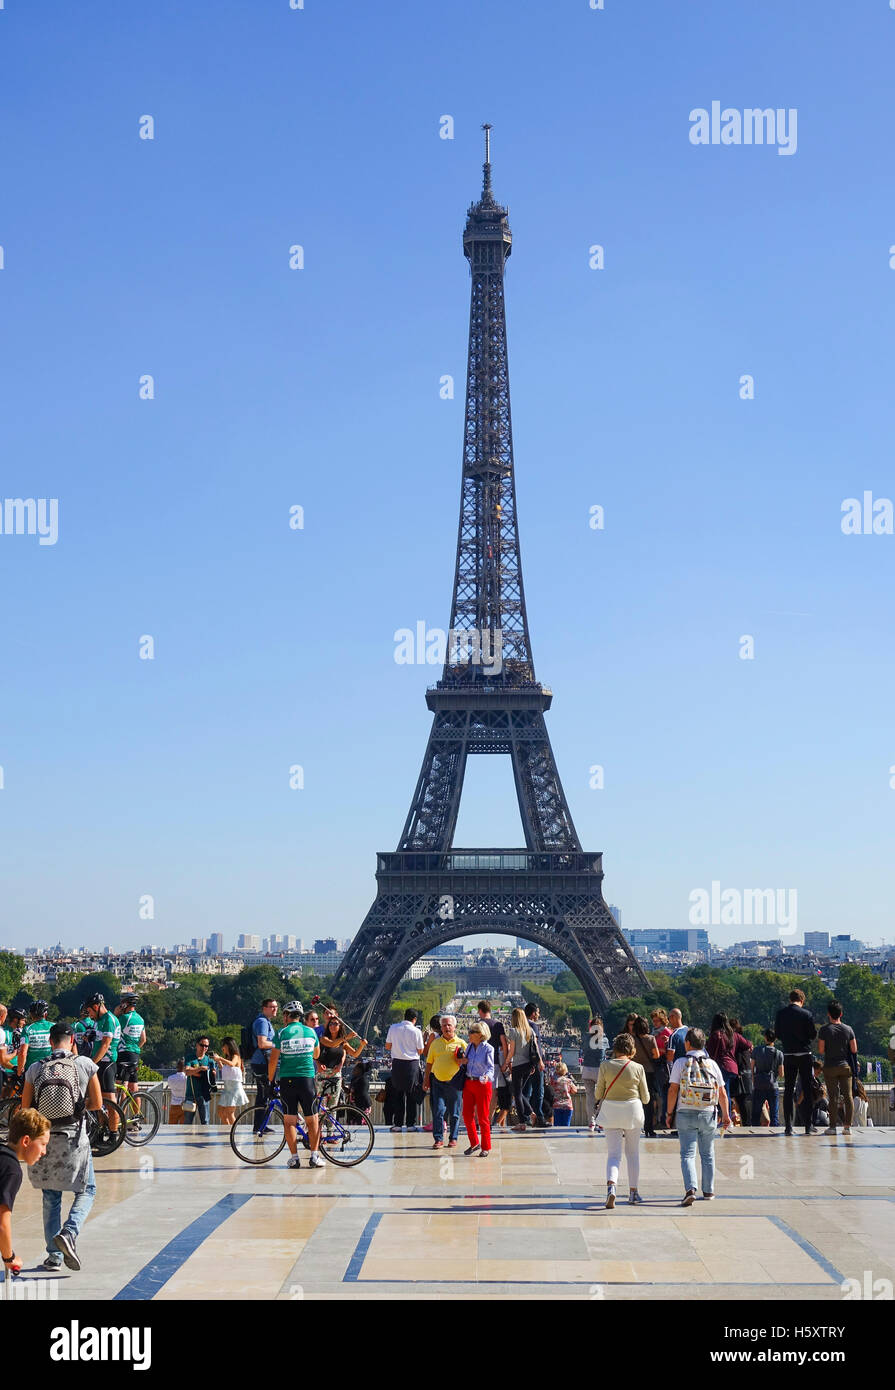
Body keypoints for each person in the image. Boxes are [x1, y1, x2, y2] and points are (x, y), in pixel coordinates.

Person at [21, 1021, 104, 1271]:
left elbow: (26, 1109)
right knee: (87, 1189)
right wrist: (76, 1109)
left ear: (50, 1041)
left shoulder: (36, 1068)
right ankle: (70, 1232)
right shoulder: (84, 1064)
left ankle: (54, 1257)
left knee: (51, 1196)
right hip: (74, 1138)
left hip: (45, 1138)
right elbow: (97, 1103)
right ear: (73, 1042)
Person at [666, 1027, 731, 1205]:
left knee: (687, 1154)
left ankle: (690, 1189)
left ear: (687, 1043)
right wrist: (726, 1115)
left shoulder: (680, 1062)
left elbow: (673, 1090)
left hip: (685, 1111)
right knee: (708, 1154)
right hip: (708, 1113)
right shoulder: (713, 1064)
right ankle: (709, 1191)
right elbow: (722, 1093)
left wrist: (669, 1112)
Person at [594, 1033, 651, 1207]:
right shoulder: (638, 1068)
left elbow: (598, 1094)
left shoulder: (605, 1065)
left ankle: (612, 1187)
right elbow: (646, 1098)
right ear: (631, 1049)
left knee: (613, 1155)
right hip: (632, 1110)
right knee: (632, 1154)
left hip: (611, 1111)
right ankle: (633, 1192)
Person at [268, 1002, 324, 1169]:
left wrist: (270, 1080)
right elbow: (317, 1054)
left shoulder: (281, 1033)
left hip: (288, 1080)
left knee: (289, 1121)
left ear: (286, 1016)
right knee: (313, 1120)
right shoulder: (310, 1032)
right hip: (307, 1080)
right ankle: (314, 1156)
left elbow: (273, 1060)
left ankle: (294, 1158)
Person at [0, 1108, 51, 1278]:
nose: (44, 1152)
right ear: (26, 1141)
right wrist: (9, 1257)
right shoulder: (12, 1170)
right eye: (43, 1144)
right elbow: (1, 1222)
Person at [774, 989, 818, 1136]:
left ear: (790, 999)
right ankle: (808, 1124)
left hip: (789, 1054)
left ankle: (788, 1126)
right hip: (804, 1054)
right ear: (802, 1000)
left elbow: (778, 1034)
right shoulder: (806, 1014)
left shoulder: (781, 1014)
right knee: (807, 1088)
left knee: (788, 1089)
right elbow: (812, 1034)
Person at [423, 1014, 466, 1149]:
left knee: (454, 1113)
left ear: (454, 1027)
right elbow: (429, 1063)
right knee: (438, 1112)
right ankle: (438, 1139)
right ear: (440, 1028)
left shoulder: (462, 1044)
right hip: (438, 1082)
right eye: (444, 1025)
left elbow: (468, 1063)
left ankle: (453, 1138)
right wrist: (426, 1080)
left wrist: (462, 1060)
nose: (447, 1027)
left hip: (455, 1083)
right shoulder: (435, 1044)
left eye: (449, 1025)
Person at [818, 1000, 857, 1136]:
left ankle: (833, 1127)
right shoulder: (848, 1029)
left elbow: (821, 1050)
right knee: (848, 1096)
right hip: (845, 1066)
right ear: (841, 1014)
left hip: (830, 1066)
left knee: (833, 1097)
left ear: (828, 1014)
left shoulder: (824, 1030)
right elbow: (854, 1049)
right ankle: (847, 1127)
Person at [84, 994, 121, 1132]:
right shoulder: (99, 1020)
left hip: (107, 1063)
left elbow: (105, 1045)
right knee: (96, 1101)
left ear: (96, 1006)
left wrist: (92, 1063)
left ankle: (113, 1133)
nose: (90, 1015)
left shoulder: (109, 1020)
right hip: (99, 1063)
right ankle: (101, 1130)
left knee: (110, 1103)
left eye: (90, 1012)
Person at [316, 1014, 367, 1114]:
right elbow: (332, 1044)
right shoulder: (323, 1039)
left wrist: (362, 1046)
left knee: (333, 1106)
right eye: (331, 1024)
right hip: (323, 1074)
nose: (332, 1026)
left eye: (335, 1024)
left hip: (335, 1075)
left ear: (340, 1026)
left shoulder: (343, 1043)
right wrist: (346, 1037)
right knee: (320, 1105)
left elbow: (355, 1054)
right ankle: (318, 1129)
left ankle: (330, 1129)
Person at [385, 1008, 425, 1133]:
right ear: (415, 1019)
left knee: (398, 1095)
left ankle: (397, 1123)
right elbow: (420, 1050)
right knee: (411, 1095)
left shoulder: (393, 1028)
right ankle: (410, 1124)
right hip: (411, 1065)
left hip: (397, 1063)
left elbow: (387, 1046)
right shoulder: (416, 1031)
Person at [460, 1021, 494, 1155]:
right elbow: (465, 1063)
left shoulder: (488, 1048)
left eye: (472, 1032)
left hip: (482, 1084)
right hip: (469, 1083)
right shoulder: (468, 1047)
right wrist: (462, 1061)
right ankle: (474, 1143)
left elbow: (491, 1068)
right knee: (467, 1115)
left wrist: (487, 1076)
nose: (469, 1034)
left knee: (483, 1117)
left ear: (480, 1034)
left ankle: (486, 1147)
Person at [249, 999, 279, 1134]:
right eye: (271, 1007)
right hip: (262, 1063)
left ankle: (261, 1125)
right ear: (264, 1008)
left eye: (276, 1007)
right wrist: (278, 1046)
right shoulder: (262, 1022)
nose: (275, 1009)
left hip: (261, 1062)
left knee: (265, 1095)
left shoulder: (265, 1021)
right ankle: (259, 1125)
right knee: (264, 1095)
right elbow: (262, 1043)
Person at [505, 1007, 536, 1131]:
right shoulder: (531, 1031)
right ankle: (530, 1112)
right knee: (518, 1092)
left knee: (516, 1093)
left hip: (518, 1065)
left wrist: (506, 1063)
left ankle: (522, 1121)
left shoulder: (513, 1031)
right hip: (528, 1065)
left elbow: (511, 1051)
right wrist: (534, 1064)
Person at [115, 991, 146, 1113]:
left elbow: (113, 1027)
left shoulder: (123, 1018)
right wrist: (134, 1047)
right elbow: (143, 1039)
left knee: (122, 1087)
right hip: (135, 1055)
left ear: (125, 1004)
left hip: (123, 1054)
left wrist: (116, 1014)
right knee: (134, 1088)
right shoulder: (140, 1019)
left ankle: (121, 1118)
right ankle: (136, 1118)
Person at [631, 1016, 660, 1136]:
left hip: (634, 1072)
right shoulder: (651, 1039)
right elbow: (656, 1055)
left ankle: (634, 1126)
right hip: (648, 1072)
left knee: (633, 1098)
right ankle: (649, 1128)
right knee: (648, 1100)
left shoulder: (631, 1039)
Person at [521, 1002, 547, 1127]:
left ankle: (526, 1116)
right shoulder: (533, 1026)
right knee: (538, 1091)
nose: (538, 1015)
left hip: (524, 1062)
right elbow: (535, 1045)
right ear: (532, 1013)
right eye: (537, 1012)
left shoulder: (521, 1025)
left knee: (526, 1091)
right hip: (535, 1063)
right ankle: (539, 1117)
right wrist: (540, 1061)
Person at [751, 1029, 784, 1126]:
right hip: (772, 1085)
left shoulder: (756, 1050)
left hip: (759, 1085)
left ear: (765, 1037)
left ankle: (753, 1134)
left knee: (756, 1114)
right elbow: (781, 1074)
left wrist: (754, 1079)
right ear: (775, 1039)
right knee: (774, 1114)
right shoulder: (779, 1053)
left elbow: (751, 1067)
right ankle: (774, 1135)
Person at [706, 1013, 739, 1110]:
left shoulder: (716, 1035)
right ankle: (727, 1116)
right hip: (733, 1067)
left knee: (723, 1093)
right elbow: (748, 1044)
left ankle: (726, 1117)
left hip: (721, 1066)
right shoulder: (731, 1034)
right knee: (726, 1092)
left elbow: (710, 1052)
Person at [581, 1016, 607, 1134]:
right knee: (604, 1096)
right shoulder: (603, 1039)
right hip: (599, 1070)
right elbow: (603, 1055)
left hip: (587, 1068)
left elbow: (584, 1051)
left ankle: (591, 1122)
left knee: (589, 1097)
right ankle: (600, 1119)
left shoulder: (586, 1037)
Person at [212, 1038, 247, 1124]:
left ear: (228, 1046)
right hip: (227, 1089)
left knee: (229, 1113)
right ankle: (228, 1129)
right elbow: (224, 1069)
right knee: (220, 1112)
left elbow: (232, 1064)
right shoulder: (227, 1058)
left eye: (223, 1045)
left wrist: (220, 1058)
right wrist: (218, 1061)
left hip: (234, 1088)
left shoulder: (236, 1056)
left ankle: (233, 1132)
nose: (222, 1048)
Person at [16, 999, 54, 1079]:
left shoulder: (27, 1029)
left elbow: (23, 1052)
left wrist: (19, 1071)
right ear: (45, 1014)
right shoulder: (54, 1026)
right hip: (51, 1069)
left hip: (32, 1070)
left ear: (31, 1014)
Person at [183, 1036, 214, 1125]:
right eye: (202, 1045)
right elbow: (187, 1072)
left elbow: (212, 1075)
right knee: (187, 1122)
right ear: (197, 1045)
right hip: (190, 1095)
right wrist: (200, 1069)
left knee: (205, 1121)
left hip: (204, 1095)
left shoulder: (209, 1060)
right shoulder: (190, 1057)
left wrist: (195, 1072)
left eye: (206, 1046)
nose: (204, 1048)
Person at [650, 1009, 672, 1132]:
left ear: (663, 1020)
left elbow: (669, 1051)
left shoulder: (666, 1032)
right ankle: (660, 1119)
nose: (655, 1023)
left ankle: (664, 1119)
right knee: (659, 1094)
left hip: (663, 1065)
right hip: (656, 1065)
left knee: (664, 1093)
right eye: (653, 1021)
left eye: (657, 1021)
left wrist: (658, 1049)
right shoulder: (655, 1032)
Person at [729, 1019, 753, 1125]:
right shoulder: (744, 1042)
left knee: (741, 1102)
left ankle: (746, 1124)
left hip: (740, 1076)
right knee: (744, 1102)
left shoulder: (735, 1042)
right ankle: (747, 1124)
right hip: (747, 1075)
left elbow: (737, 1060)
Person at [550, 1061, 577, 1126]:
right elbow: (574, 1091)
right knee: (566, 1126)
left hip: (557, 1105)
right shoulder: (568, 1081)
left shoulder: (553, 1080)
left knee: (557, 1126)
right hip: (567, 1106)